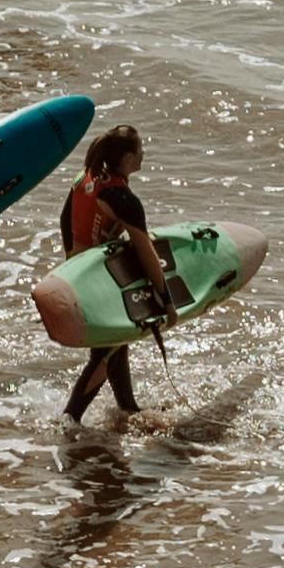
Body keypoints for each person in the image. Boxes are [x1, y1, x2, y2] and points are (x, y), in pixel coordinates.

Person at [59, 117, 171, 434]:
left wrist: (71, 263)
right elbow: (146, 253)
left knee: (117, 341)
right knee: (106, 352)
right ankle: (69, 420)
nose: (143, 154)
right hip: (98, 279)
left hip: (80, 270)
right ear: (126, 159)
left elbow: (65, 218)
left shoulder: (87, 176)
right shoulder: (122, 198)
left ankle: (127, 407)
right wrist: (165, 298)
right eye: (139, 150)